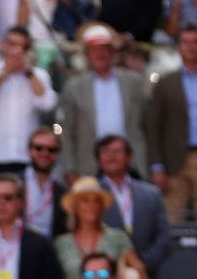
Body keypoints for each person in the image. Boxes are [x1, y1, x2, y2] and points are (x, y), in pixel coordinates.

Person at [148, 25, 197, 224]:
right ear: (178, 47)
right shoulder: (165, 83)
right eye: (185, 42)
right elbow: (154, 127)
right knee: (172, 220)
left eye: (196, 42)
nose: (190, 47)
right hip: (173, 161)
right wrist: (157, 167)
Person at [56, 24, 151, 180]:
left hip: (131, 165)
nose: (100, 54)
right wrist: (70, 168)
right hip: (90, 167)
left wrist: (155, 166)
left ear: (112, 53)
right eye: (94, 50)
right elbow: (66, 132)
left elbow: (149, 124)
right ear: (86, 55)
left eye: (104, 49)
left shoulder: (134, 82)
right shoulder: (74, 87)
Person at [0, 27, 55, 187]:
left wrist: (29, 74)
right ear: (3, 44)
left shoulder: (39, 75)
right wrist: (4, 74)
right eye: (13, 44)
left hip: (28, 158)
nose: (17, 51)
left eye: (22, 46)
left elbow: (47, 104)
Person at [96, 135, 170, 276]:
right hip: (104, 275)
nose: (111, 156)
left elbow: (163, 235)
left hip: (147, 273)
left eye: (117, 151)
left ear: (129, 157)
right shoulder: (92, 194)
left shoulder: (152, 193)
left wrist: (143, 263)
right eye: (105, 152)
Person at [22, 130, 68, 237]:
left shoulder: (63, 192)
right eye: (38, 148)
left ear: (57, 154)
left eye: (51, 150)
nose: (44, 153)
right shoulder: (13, 185)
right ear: (29, 150)